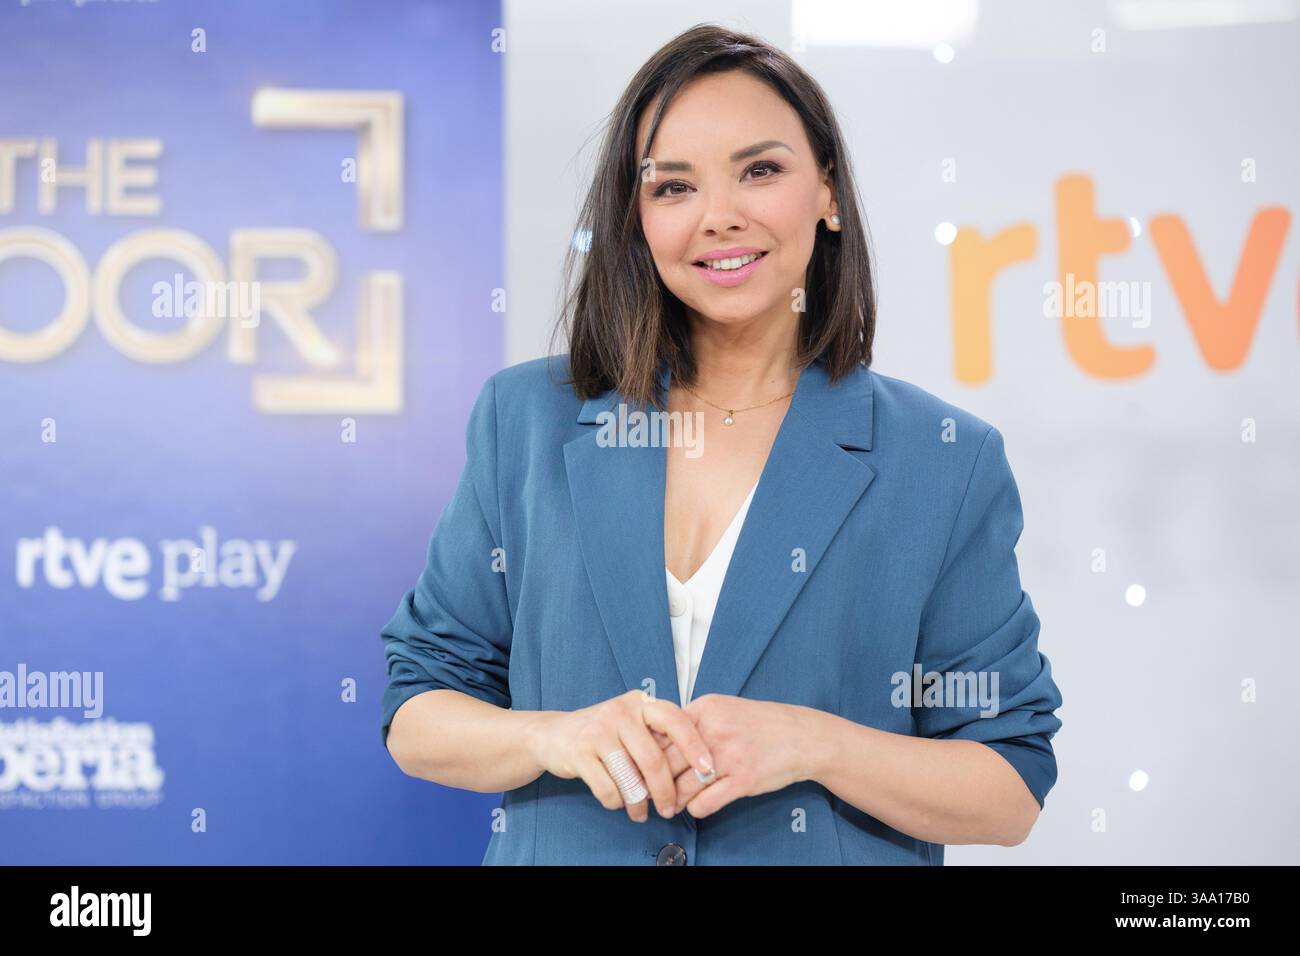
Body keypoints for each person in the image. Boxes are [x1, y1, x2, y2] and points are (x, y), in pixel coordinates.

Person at [380, 23, 1063, 865]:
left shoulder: (944, 459)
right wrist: (558, 737)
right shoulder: (522, 419)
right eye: (673, 187)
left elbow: (1009, 787)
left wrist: (812, 743)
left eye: (761, 170)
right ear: (635, 218)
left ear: (829, 193)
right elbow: (418, 710)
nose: (719, 217)